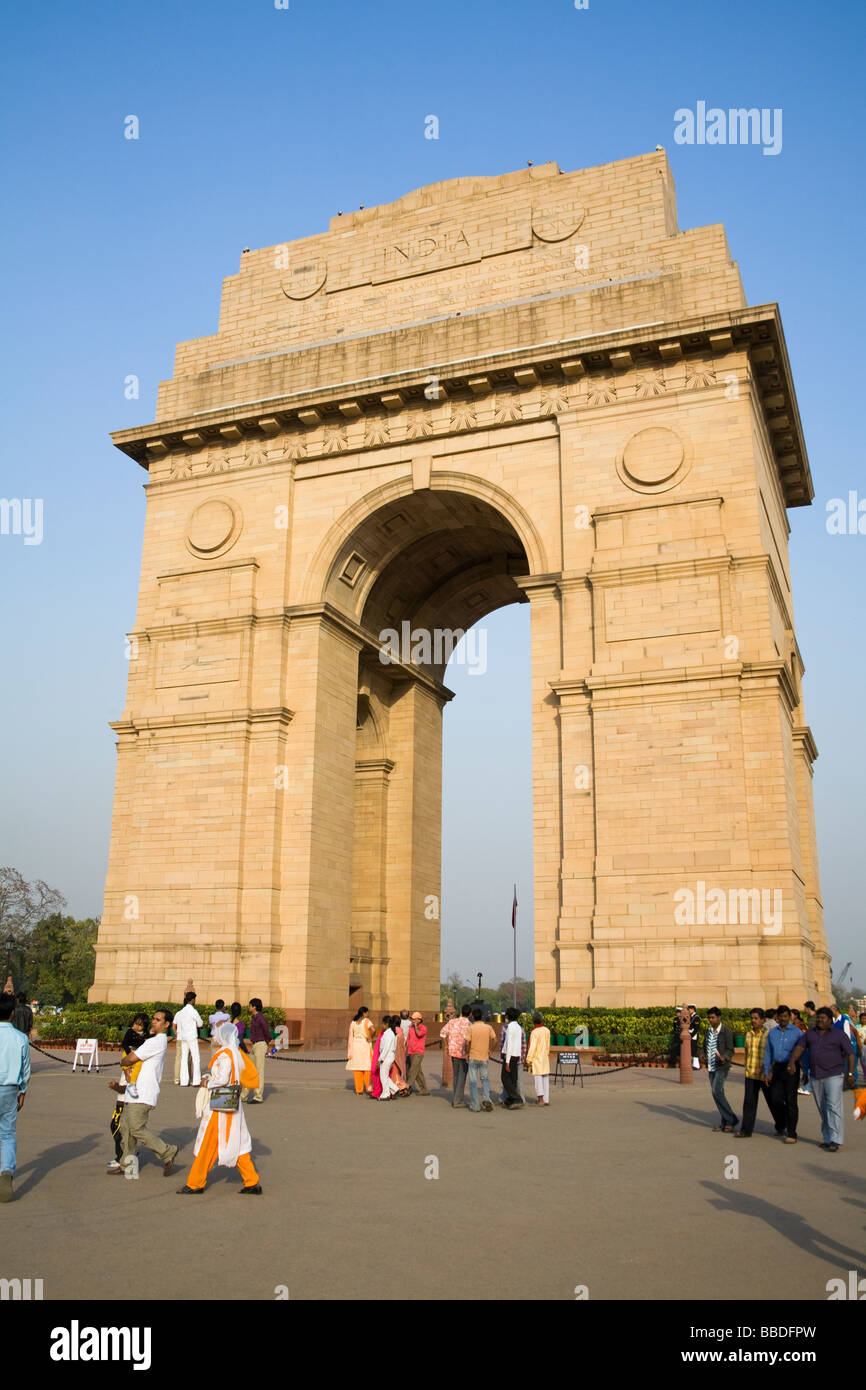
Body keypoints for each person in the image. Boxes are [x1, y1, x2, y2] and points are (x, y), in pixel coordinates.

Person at [177, 1022, 262, 1194]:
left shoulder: (224, 1055)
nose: (214, 1035)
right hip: (232, 1104)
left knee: (208, 1144)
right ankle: (252, 1181)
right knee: (237, 1142)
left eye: (216, 1033)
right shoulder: (236, 1053)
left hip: (220, 1106)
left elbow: (222, 1079)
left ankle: (195, 1183)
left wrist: (208, 1082)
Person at [115, 1008, 179, 1177]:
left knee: (135, 1128)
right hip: (135, 1089)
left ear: (166, 1024)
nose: (153, 1021)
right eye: (153, 1019)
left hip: (144, 1091)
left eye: (158, 1020)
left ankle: (167, 1151)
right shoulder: (156, 1040)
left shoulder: (155, 1042)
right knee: (127, 1128)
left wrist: (123, 1061)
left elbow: (131, 1058)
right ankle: (127, 1165)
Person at [789, 1005, 855, 1152]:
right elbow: (800, 1048)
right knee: (823, 1108)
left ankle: (836, 1140)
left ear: (830, 1021)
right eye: (818, 1017)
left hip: (834, 1075)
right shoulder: (810, 1034)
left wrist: (850, 1074)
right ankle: (827, 1138)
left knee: (833, 1106)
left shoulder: (839, 1035)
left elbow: (850, 1054)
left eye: (822, 1018)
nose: (819, 1020)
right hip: (816, 1075)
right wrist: (792, 1061)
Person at [108, 1013, 149, 1172]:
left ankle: (122, 1158)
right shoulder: (131, 1054)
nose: (136, 1027)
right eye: (135, 1024)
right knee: (120, 1128)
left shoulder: (139, 1061)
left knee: (121, 1128)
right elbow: (125, 1047)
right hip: (125, 1094)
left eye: (140, 1025)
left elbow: (128, 1088)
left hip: (128, 1098)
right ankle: (126, 1155)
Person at [0, 993, 30, 1202]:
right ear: (12, 1013)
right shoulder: (21, 1038)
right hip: (10, 1089)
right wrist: (23, 1090)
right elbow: (25, 1069)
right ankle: (6, 1171)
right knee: (7, 1134)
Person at [762, 1004, 803, 1142]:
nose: (784, 1019)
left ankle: (791, 1133)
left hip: (791, 1068)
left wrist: (806, 1072)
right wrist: (767, 1071)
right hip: (778, 1068)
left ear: (789, 1017)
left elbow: (804, 1052)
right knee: (775, 1099)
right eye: (781, 1016)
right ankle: (783, 1122)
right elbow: (768, 1052)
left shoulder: (797, 1032)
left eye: (786, 1016)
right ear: (777, 1017)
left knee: (791, 1100)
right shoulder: (772, 1033)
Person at [736, 1009, 773, 1138]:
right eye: (752, 1018)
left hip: (765, 1074)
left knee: (773, 1101)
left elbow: (771, 1055)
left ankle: (781, 1124)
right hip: (751, 1073)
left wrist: (765, 1069)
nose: (753, 1020)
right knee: (749, 1103)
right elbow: (747, 1053)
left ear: (763, 1020)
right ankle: (746, 1130)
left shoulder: (769, 1035)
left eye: (756, 1018)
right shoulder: (748, 1034)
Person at [705, 1007, 738, 1133]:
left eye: (713, 1017)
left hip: (721, 1066)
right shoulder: (708, 1031)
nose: (710, 1020)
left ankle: (730, 1120)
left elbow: (731, 1049)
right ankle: (725, 1121)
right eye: (709, 1017)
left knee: (716, 1091)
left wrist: (725, 1057)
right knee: (718, 1094)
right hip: (711, 1065)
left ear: (719, 1018)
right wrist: (702, 1053)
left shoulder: (726, 1032)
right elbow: (704, 1046)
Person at [466, 1007, 498, 1113]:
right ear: (482, 1016)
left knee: (473, 1082)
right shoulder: (488, 1027)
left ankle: (475, 1105)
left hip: (473, 1057)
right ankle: (486, 1098)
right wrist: (491, 1050)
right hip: (484, 1057)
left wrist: (467, 1053)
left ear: (473, 1017)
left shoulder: (471, 1028)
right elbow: (495, 1040)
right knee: (485, 1080)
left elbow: (467, 1042)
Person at [440, 1004, 472, 1108]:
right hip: (463, 1053)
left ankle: (456, 1098)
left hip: (453, 1051)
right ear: (470, 1014)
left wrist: (446, 1045)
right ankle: (458, 1101)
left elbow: (443, 1033)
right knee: (462, 1076)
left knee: (456, 1075)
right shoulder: (470, 1025)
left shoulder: (452, 1022)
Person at [173, 991, 203, 1086]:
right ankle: (196, 1081)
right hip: (192, 1037)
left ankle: (184, 1081)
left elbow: (176, 1024)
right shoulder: (193, 1011)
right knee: (196, 1058)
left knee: (184, 1058)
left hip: (183, 1037)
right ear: (193, 1000)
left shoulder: (180, 1012)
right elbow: (200, 1023)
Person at [243, 998, 270, 1103]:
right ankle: (244, 1095)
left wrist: (266, 1044)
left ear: (254, 1007)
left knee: (259, 1071)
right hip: (254, 1045)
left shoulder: (261, 1018)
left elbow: (267, 1032)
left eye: (250, 1005)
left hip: (260, 1044)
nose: (249, 1007)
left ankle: (258, 1096)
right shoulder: (254, 1018)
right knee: (249, 1070)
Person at [346, 1006, 374, 1095]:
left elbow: (351, 1034)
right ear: (364, 1013)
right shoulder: (366, 1021)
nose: (368, 1014)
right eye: (367, 1012)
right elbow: (373, 1030)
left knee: (357, 1068)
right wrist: (370, 1037)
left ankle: (359, 1090)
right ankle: (369, 1088)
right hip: (364, 1045)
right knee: (367, 1067)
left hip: (355, 1045)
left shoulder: (353, 1022)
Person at [500, 1007, 524, 1109]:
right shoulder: (519, 1027)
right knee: (513, 1079)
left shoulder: (509, 1028)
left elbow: (509, 1044)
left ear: (508, 1016)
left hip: (509, 1056)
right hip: (516, 1055)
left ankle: (517, 1098)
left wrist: (507, 1061)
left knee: (504, 1078)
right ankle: (510, 1100)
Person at [526, 1011, 551, 1105]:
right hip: (544, 1056)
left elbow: (532, 1047)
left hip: (537, 1058)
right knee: (545, 1078)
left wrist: (529, 1059)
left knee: (538, 1079)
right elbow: (548, 1045)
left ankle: (540, 1099)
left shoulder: (534, 1032)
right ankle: (546, 1099)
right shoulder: (547, 1030)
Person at [376, 1017, 400, 1101]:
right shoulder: (389, 1033)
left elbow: (386, 1048)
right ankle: (394, 1089)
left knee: (383, 1076)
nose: (381, 1025)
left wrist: (380, 1059)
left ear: (386, 1024)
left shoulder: (389, 1034)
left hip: (387, 1056)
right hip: (388, 1056)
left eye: (382, 1023)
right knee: (385, 1075)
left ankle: (386, 1094)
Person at [406, 1012, 429, 1095]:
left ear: (419, 1020)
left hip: (418, 1052)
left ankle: (407, 1086)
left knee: (412, 1070)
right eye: (412, 1019)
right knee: (418, 1072)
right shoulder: (410, 1028)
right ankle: (424, 1089)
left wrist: (416, 1026)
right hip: (411, 1051)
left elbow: (419, 1034)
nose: (412, 1020)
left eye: (414, 1019)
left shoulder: (423, 1028)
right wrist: (405, 1049)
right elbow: (408, 1040)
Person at [686, 1005, 701, 1069]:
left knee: (694, 1050)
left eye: (689, 1009)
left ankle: (696, 1065)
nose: (688, 1011)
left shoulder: (696, 1017)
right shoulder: (692, 1017)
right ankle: (693, 1064)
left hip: (693, 1036)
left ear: (693, 1010)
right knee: (691, 1050)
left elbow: (696, 1028)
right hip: (690, 1035)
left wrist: (691, 1035)